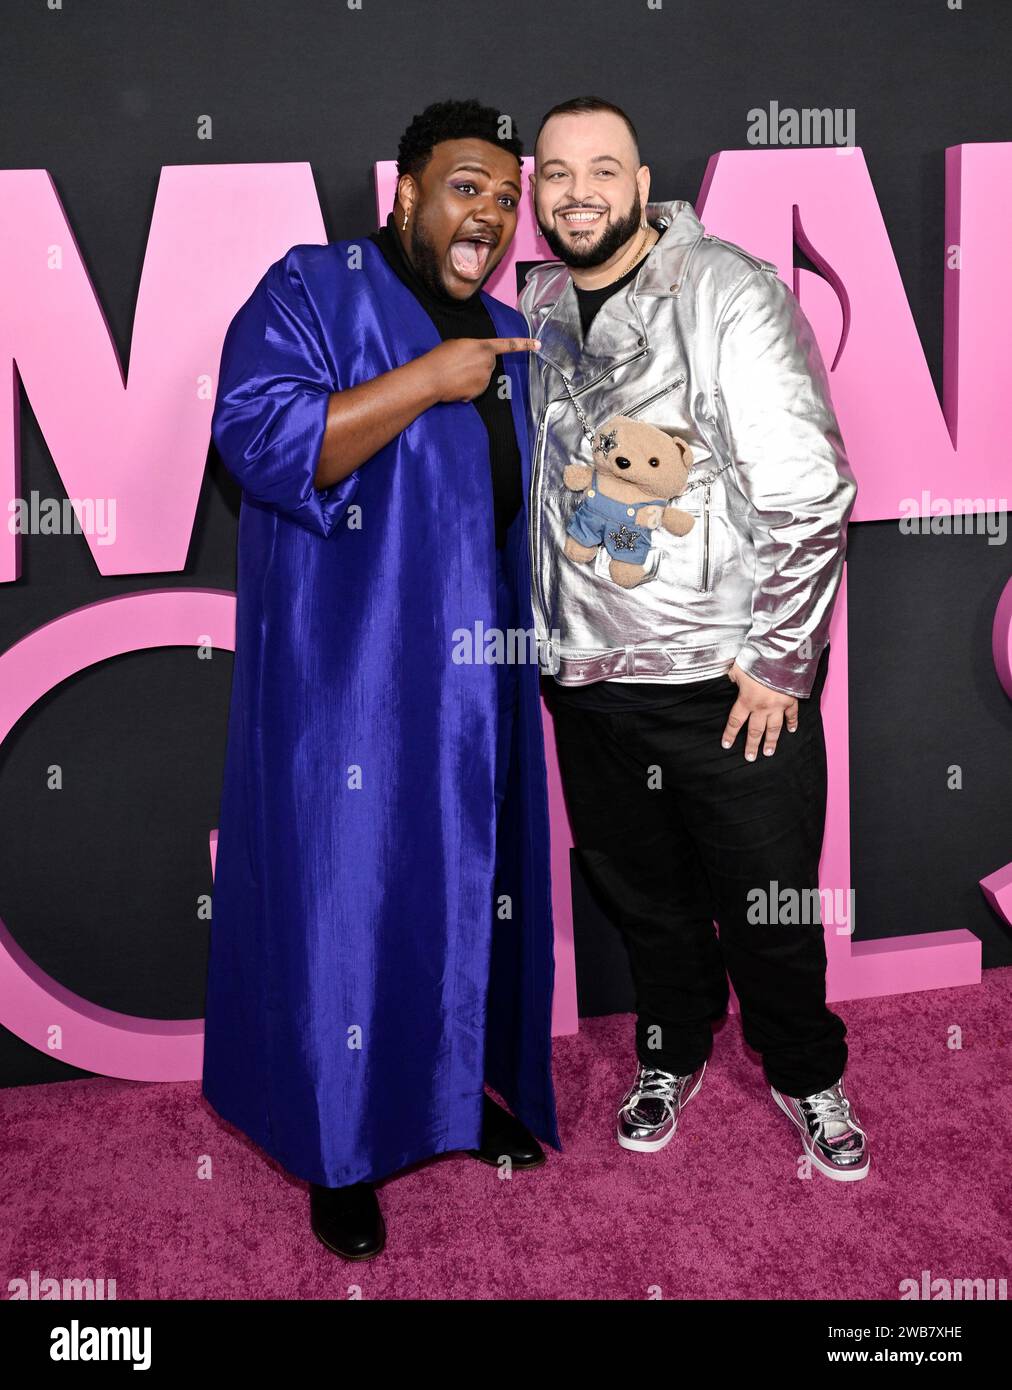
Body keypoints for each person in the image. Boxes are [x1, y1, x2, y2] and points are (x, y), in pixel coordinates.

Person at [202, 99, 559, 1262]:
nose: (491, 213)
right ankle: (337, 1147)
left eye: (506, 196)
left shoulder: (509, 328)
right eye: (467, 185)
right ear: (402, 193)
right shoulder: (311, 287)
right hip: (347, 672)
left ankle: (455, 1105)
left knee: (463, 886)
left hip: (476, 676)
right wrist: (425, 381)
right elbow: (262, 444)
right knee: (346, 907)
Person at [519, 96, 869, 1181]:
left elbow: (811, 493)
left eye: (602, 169)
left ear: (641, 178)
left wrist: (777, 661)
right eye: (557, 172)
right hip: (587, 678)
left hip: (722, 684)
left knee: (766, 904)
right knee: (644, 900)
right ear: (538, 190)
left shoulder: (726, 288)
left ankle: (806, 1072)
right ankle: (670, 1050)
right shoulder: (529, 303)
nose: (579, 191)